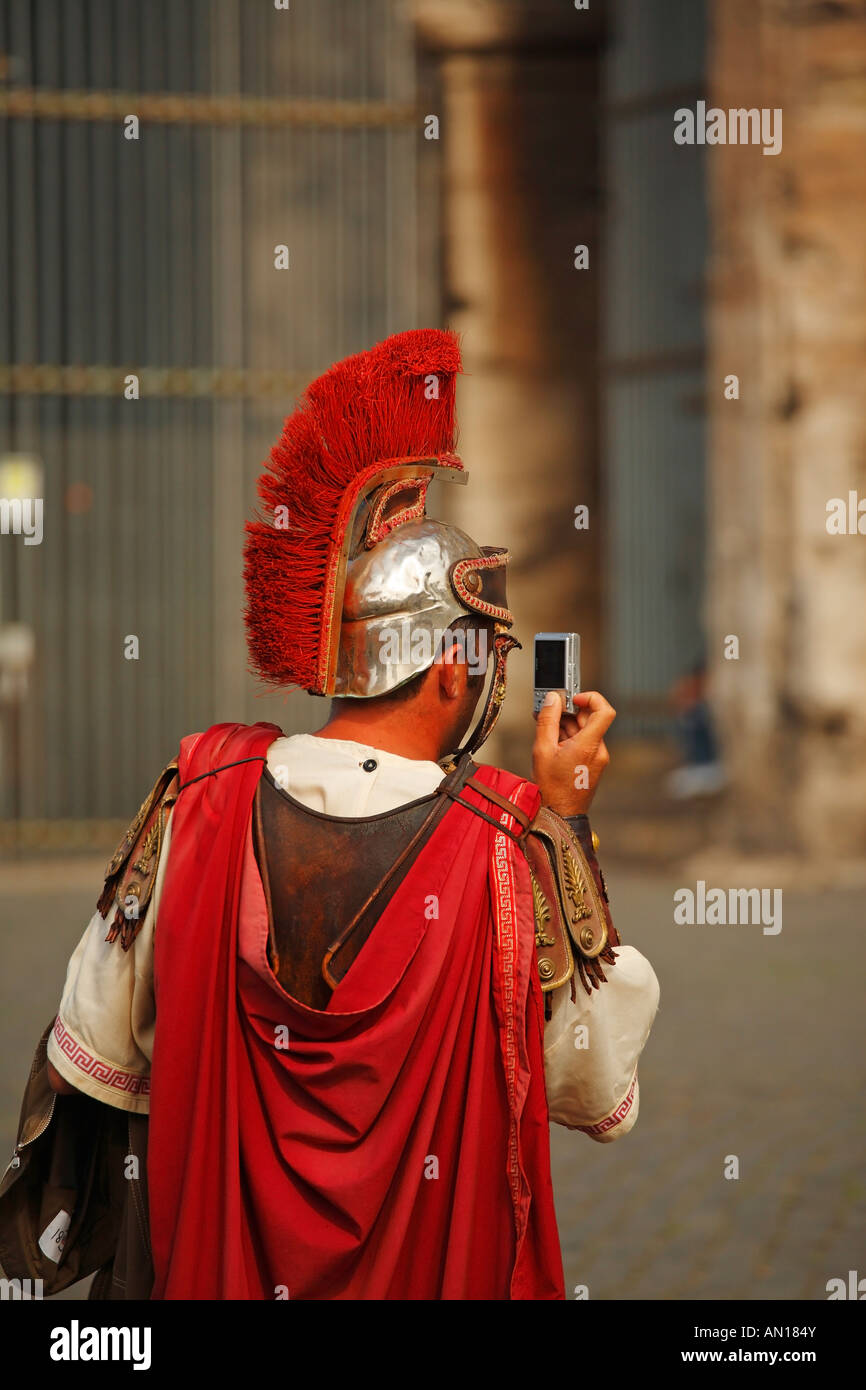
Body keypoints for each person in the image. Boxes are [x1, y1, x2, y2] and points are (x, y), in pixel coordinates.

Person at [38, 329, 659, 1300]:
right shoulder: (509, 845)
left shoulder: (199, 798)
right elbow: (595, 1089)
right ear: (455, 665)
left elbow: (97, 1051)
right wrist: (568, 820)